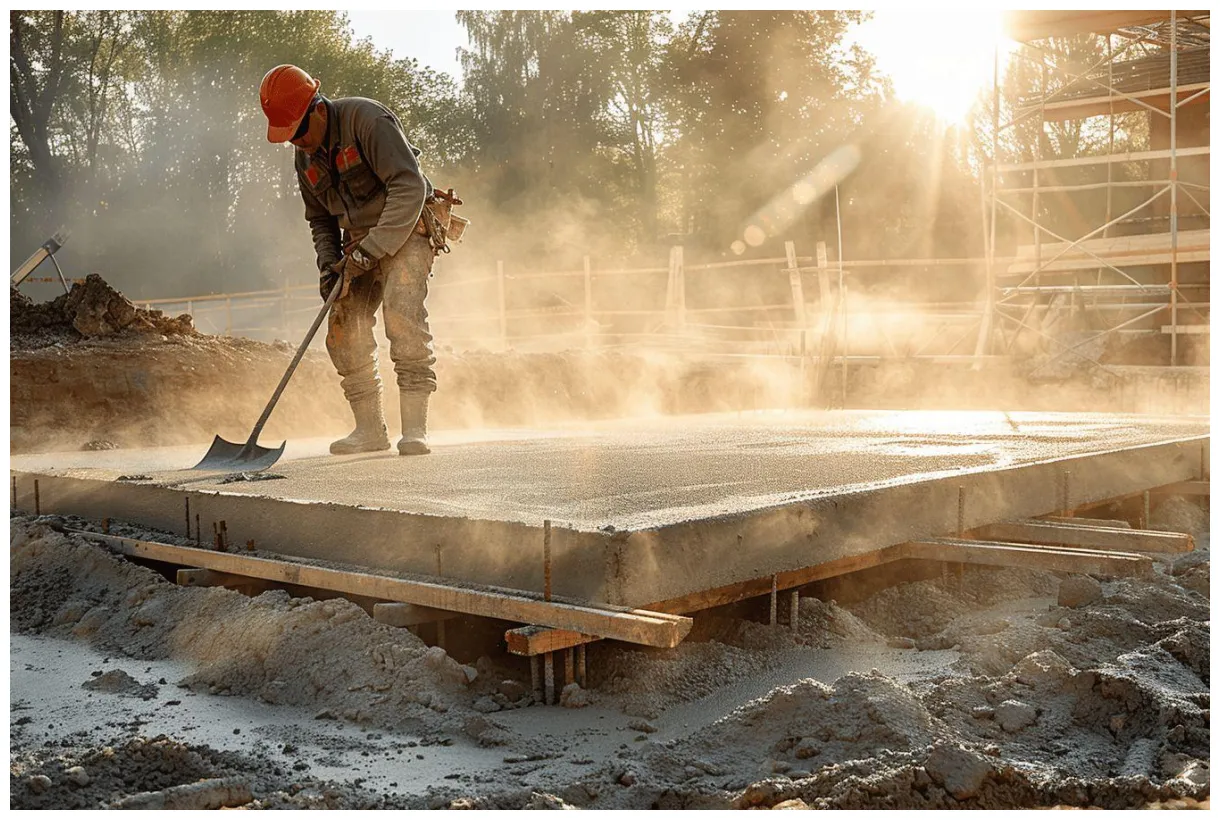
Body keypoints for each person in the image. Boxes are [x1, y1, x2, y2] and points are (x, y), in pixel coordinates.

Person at [259, 64, 436, 456]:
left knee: (401, 314)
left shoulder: (367, 120)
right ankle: (370, 430)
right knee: (343, 328)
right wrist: (328, 264)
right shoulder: (305, 159)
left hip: (405, 230)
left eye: (299, 133)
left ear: (318, 110)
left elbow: (409, 186)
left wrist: (373, 248)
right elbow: (320, 220)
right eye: (289, 138)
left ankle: (415, 430)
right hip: (356, 245)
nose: (298, 144)